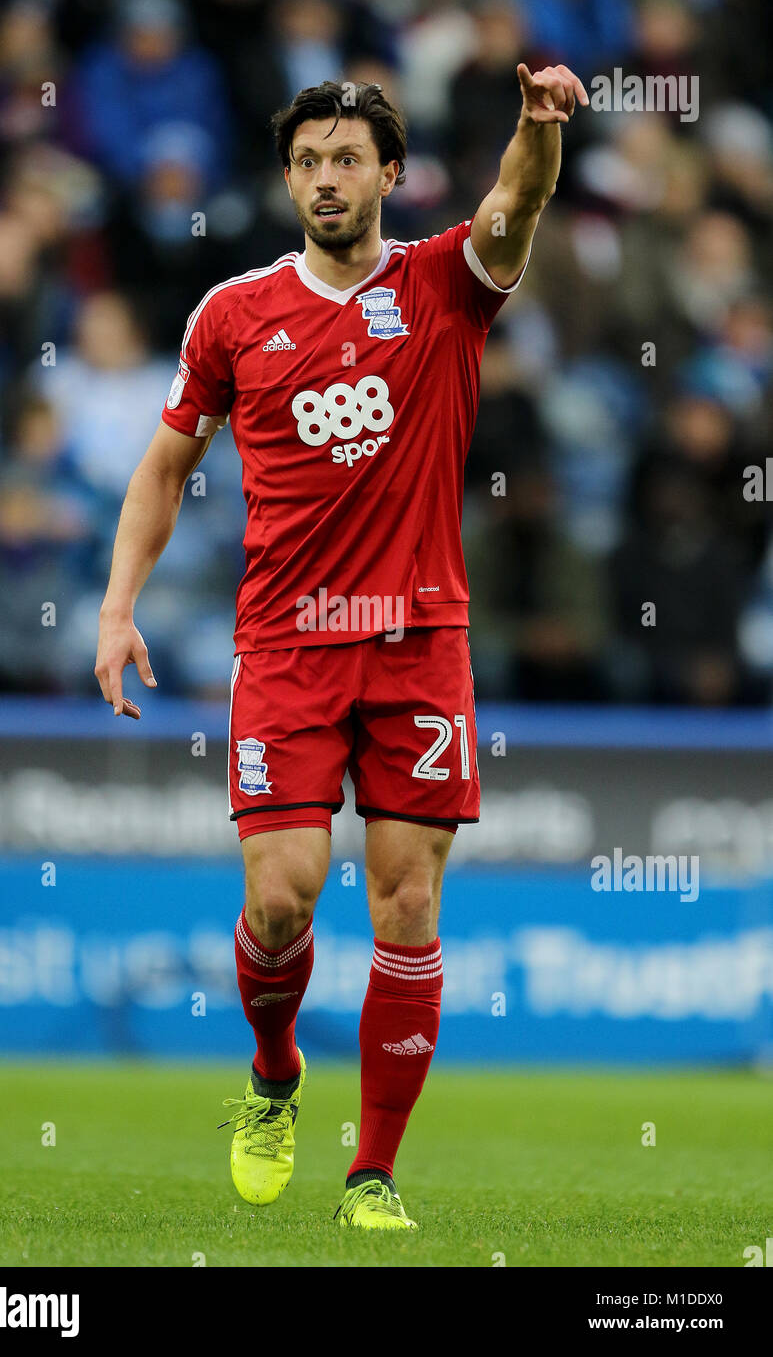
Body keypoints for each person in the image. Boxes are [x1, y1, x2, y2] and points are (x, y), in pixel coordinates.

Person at [95, 63, 587, 1229]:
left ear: (388, 174)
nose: (326, 177)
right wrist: (116, 608)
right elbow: (167, 465)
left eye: (347, 159)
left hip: (419, 642)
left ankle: (372, 1174)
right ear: (287, 178)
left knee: (406, 905)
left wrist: (536, 126)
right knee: (281, 900)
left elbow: (516, 202)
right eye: (308, 160)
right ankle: (273, 1076)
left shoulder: (441, 285)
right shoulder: (231, 314)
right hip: (285, 646)